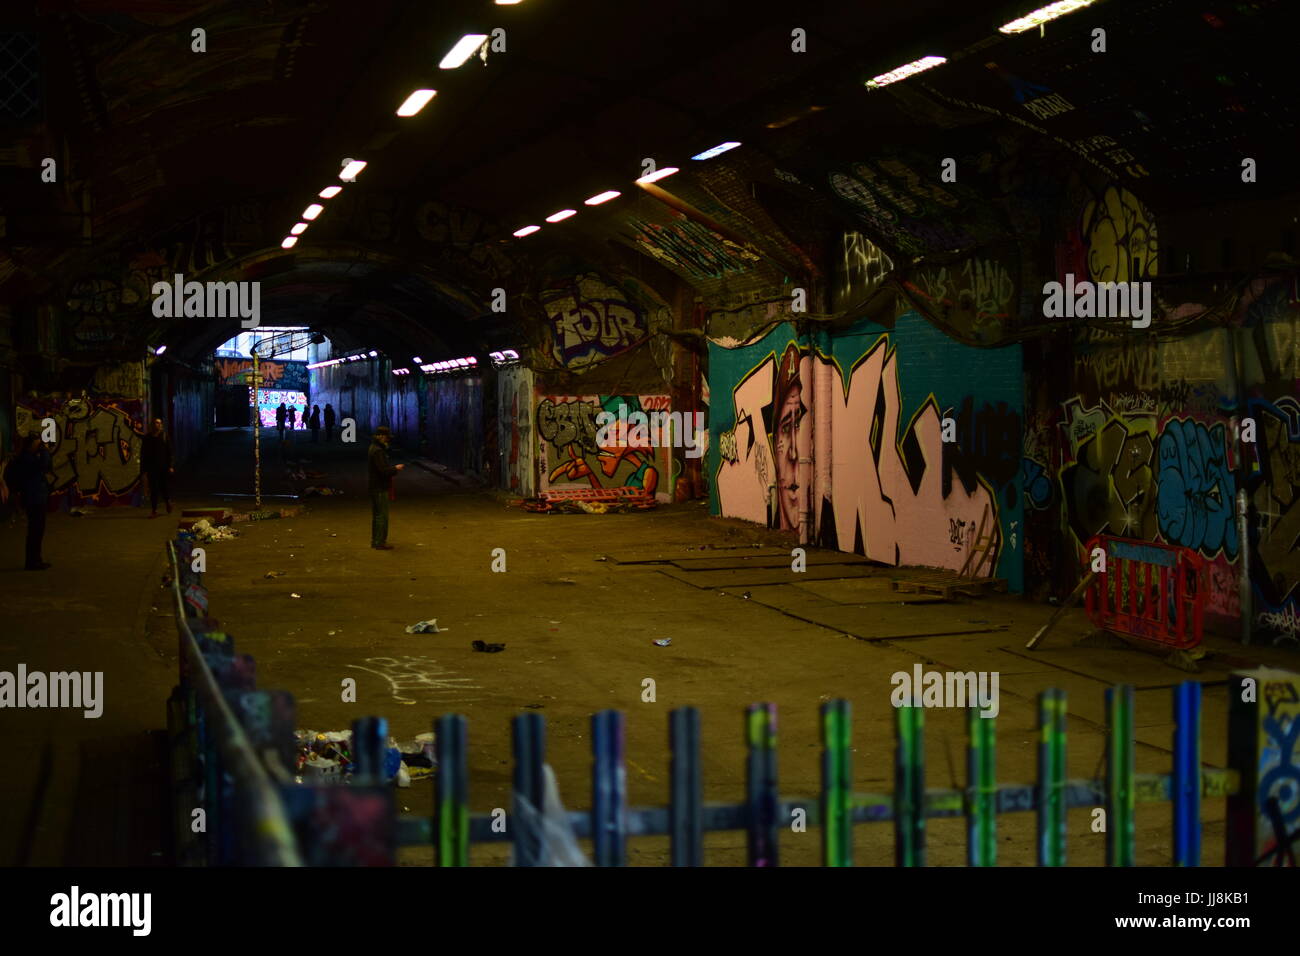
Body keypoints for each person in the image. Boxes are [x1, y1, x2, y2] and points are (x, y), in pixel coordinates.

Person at [11, 435, 52, 570]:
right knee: (35, 531)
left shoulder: (27, 457)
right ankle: (32, 562)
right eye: (37, 444)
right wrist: (45, 451)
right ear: (30, 445)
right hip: (34, 499)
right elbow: (43, 466)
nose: (39, 446)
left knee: (37, 531)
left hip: (35, 497)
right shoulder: (26, 459)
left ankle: (36, 560)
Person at [368, 426, 404, 549]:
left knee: (377, 515)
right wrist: (395, 468)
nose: (387, 441)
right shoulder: (378, 451)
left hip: (375, 485)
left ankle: (376, 541)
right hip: (380, 486)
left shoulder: (373, 448)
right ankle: (380, 542)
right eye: (387, 438)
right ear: (381, 436)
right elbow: (383, 471)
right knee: (381, 515)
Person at [140, 417, 174, 517]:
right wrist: (144, 470)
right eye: (155, 423)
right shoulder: (147, 438)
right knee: (154, 489)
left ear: (161, 425)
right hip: (151, 468)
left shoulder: (164, 436)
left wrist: (170, 466)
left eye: (159, 423)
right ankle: (154, 510)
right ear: (152, 425)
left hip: (163, 467)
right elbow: (144, 454)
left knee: (164, 487)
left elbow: (169, 452)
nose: (157, 425)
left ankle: (168, 501)